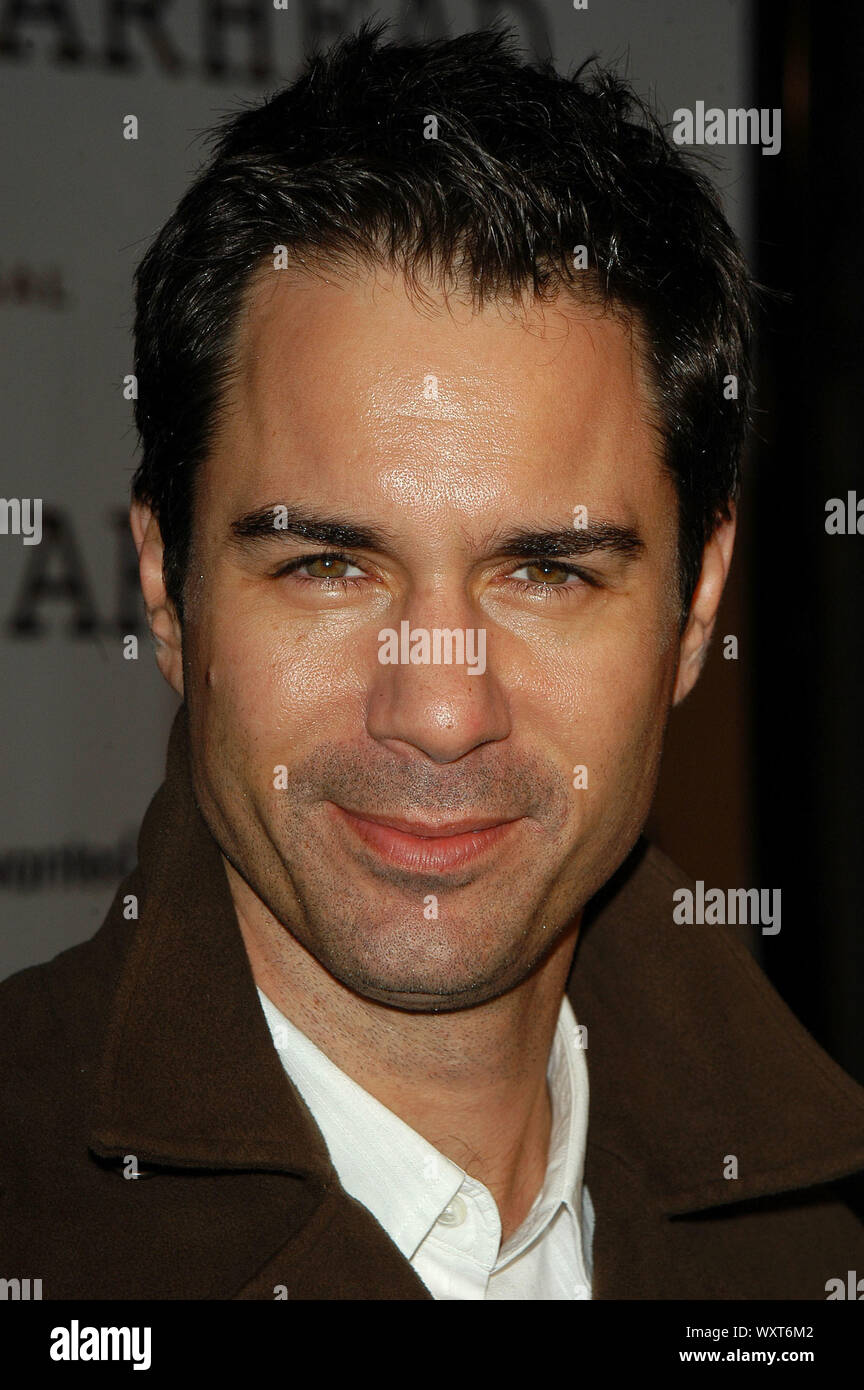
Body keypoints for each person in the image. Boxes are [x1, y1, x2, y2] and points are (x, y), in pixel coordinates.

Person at [2, 20, 862, 1301]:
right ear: (165, 588)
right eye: (327, 567)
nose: (443, 706)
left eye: (548, 572)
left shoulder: (819, 1236)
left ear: (697, 610)